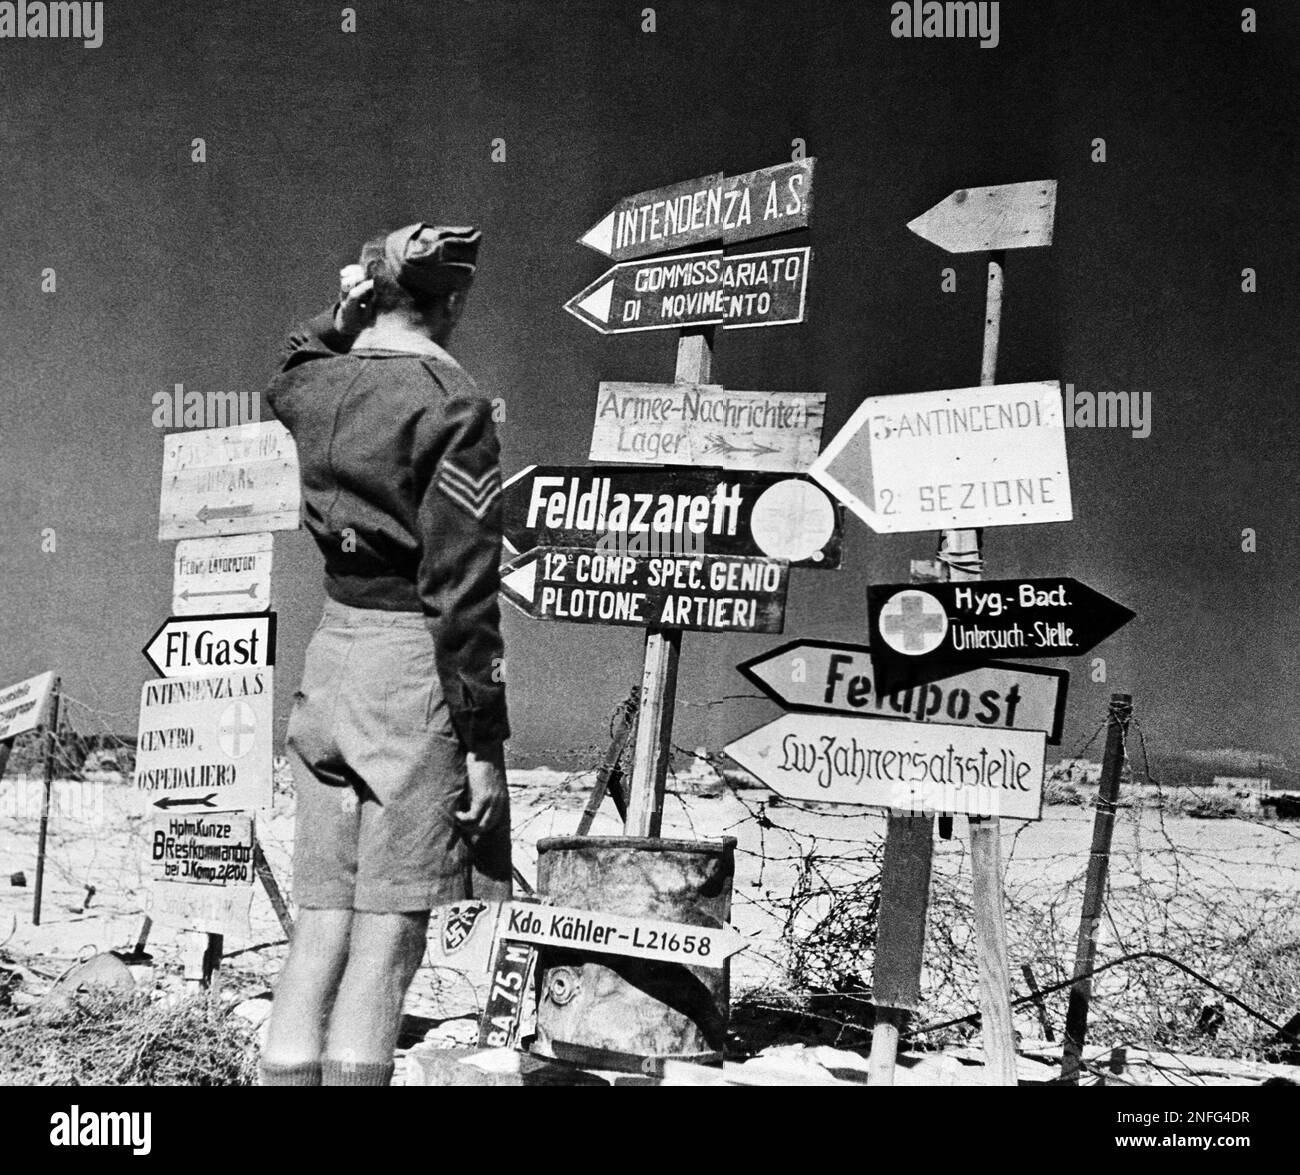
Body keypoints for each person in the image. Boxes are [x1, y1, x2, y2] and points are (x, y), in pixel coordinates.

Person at [258, 223, 511, 1087]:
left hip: (331, 655)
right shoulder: (454, 402)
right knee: (391, 930)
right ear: (454, 301)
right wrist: (483, 748)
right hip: (412, 666)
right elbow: (463, 589)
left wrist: (342, 315)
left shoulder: (318, 383)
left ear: (373, 293)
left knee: (321, 920)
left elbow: (290, 361)